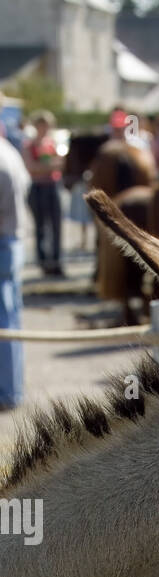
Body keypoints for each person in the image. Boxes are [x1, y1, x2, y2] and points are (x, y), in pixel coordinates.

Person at [0, 132, 30, 409]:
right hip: (12, 240)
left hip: (3, 241)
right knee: (10, 316)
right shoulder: (10, 152)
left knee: (4, 320)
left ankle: (7, 392)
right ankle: (12, 389)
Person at [23, 110, 63, 276]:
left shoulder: (53, 143)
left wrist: (45, 167)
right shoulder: (29, 145)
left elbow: (61, 163)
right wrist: (48, 167)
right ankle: (43, 260)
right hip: (38, 186)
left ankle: (56, 259)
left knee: (55, 225)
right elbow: (30, 166)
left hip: (52, 185)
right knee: (40, 225)